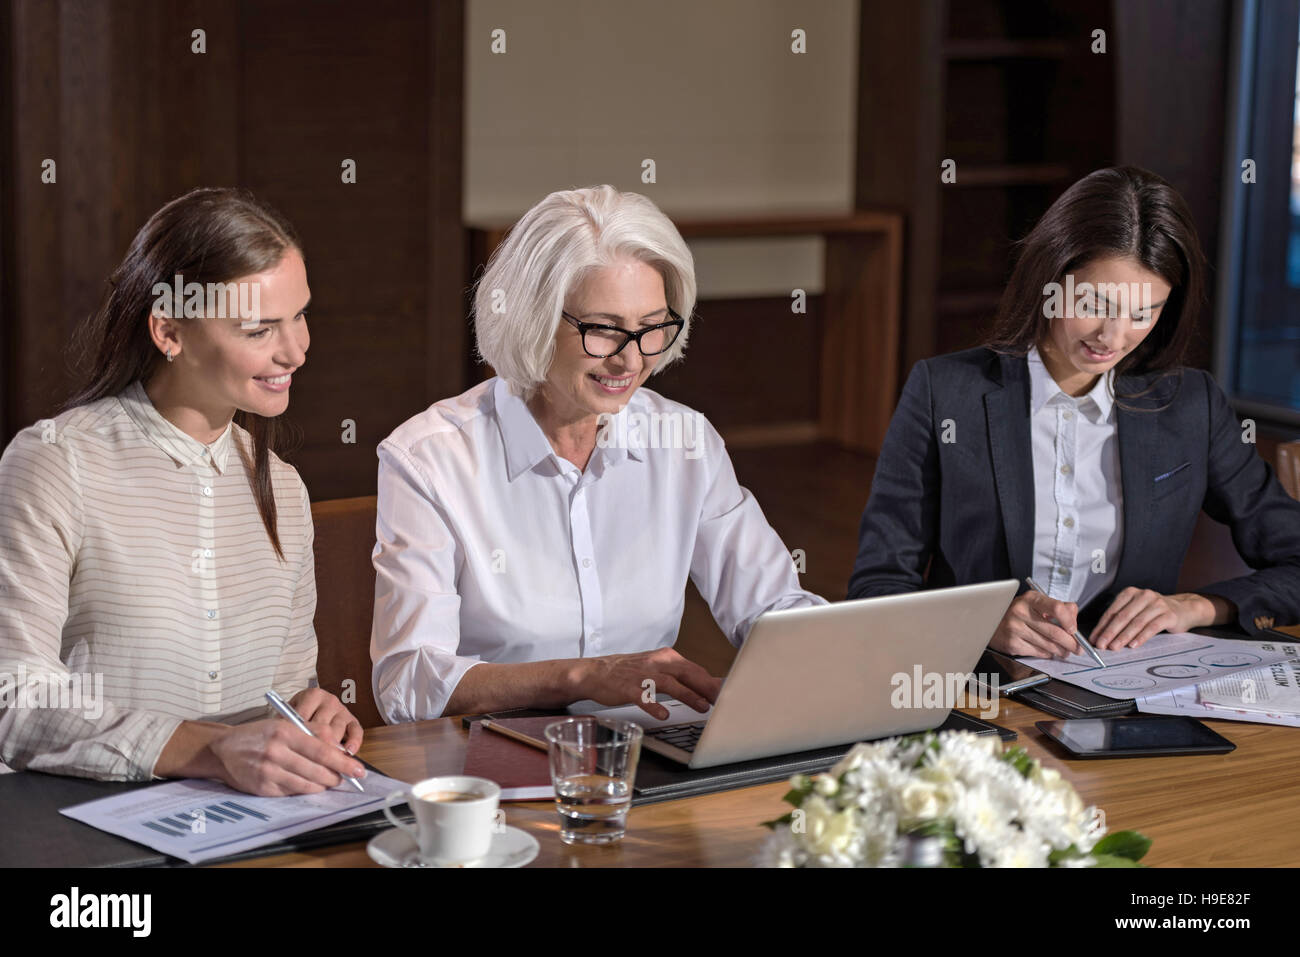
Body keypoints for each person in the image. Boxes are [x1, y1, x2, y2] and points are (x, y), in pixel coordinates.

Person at [370, 185, 824, 722]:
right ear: (531, 317)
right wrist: (583, 676)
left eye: (653, 327)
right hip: (492, 763)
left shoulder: (686, 442)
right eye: (604, 330)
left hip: (643, 750)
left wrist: (831, 653)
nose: (630, 360)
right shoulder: (431, 457)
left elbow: (774, 608)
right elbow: (408, 684)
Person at [0, 187, 366, 795]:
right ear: (169, 331)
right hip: (86, 821)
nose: (296, 350)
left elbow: (285, 691)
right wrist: (212, 748)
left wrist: (307, 715)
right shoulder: (54, 463)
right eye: (258, 328)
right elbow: (13, 698)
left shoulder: (285, 490)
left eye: (300, 315)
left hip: (245, 821)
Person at [847, 166, 1300, 657]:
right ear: (1050, 280)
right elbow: (878, 588)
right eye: (1093, 303)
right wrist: (977, 625)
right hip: (982, 690)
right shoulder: (945, 393)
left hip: (1130, 695)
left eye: (1142, 313)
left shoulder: (1192, 405)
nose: (1113, 336)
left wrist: (1197, 606)